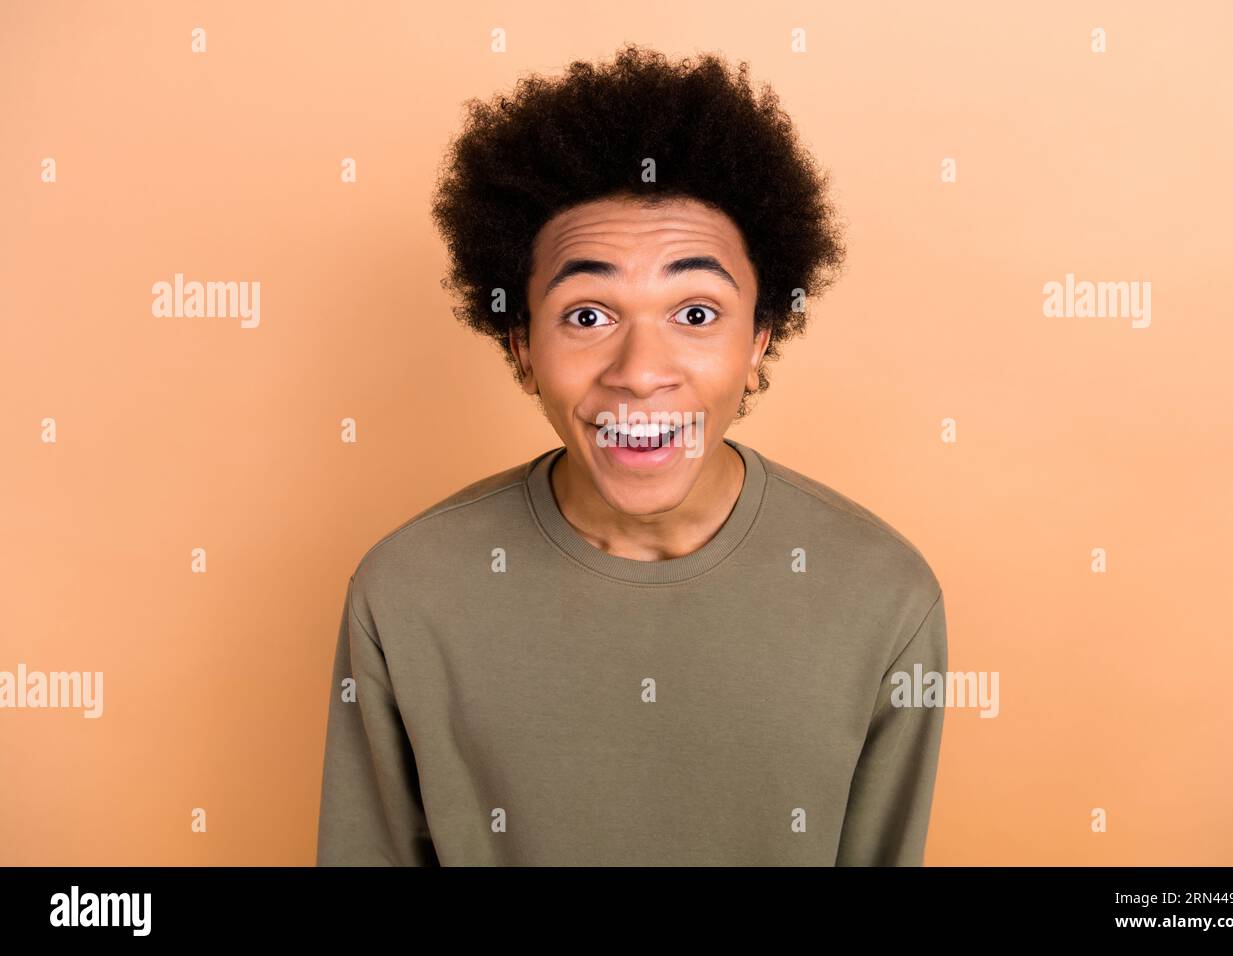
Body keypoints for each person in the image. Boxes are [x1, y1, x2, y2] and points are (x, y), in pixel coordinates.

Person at [316, 43, 947, 866]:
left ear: (760, 338)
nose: (640, 372)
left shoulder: (885, 598)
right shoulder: (406, 592)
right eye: (587, 315)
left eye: (695, 313)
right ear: (521, 345)